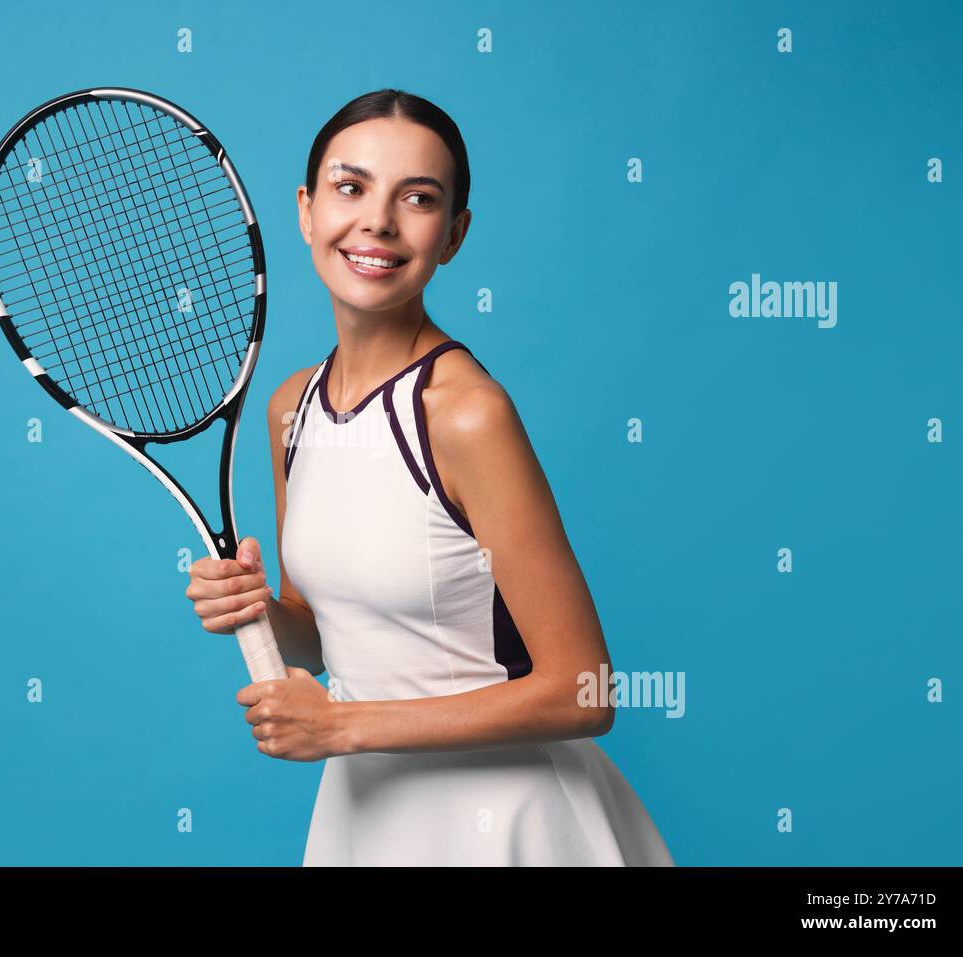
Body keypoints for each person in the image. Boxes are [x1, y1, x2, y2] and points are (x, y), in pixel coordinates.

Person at [184, 88, 674, 866]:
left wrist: (343, 726)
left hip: (513, 823)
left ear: (453, 235)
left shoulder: (466, 414)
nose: (376, 221)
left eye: (418, 199)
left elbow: (585, 689)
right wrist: (259, 613)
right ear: (307, 210)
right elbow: (323, 635)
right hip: (369, 819)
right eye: (351, 188)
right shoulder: (292, 408)